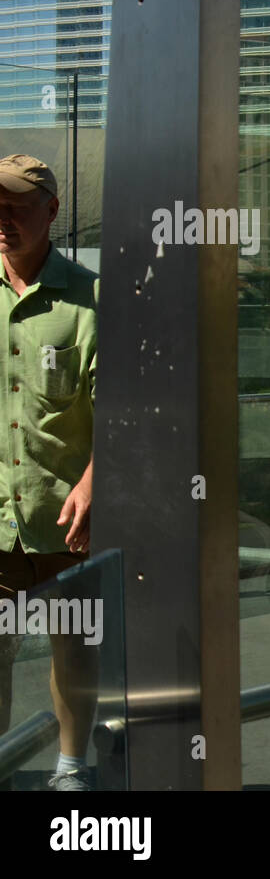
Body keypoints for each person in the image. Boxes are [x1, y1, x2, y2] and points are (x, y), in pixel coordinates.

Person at [0, 154, 98, 790]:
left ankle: (71, 768)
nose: (2, 218)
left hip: (66, 516)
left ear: (52, 212)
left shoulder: (88, 301)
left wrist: (96, 480)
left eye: (17, 205)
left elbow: (121, 405)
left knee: (73, 646)